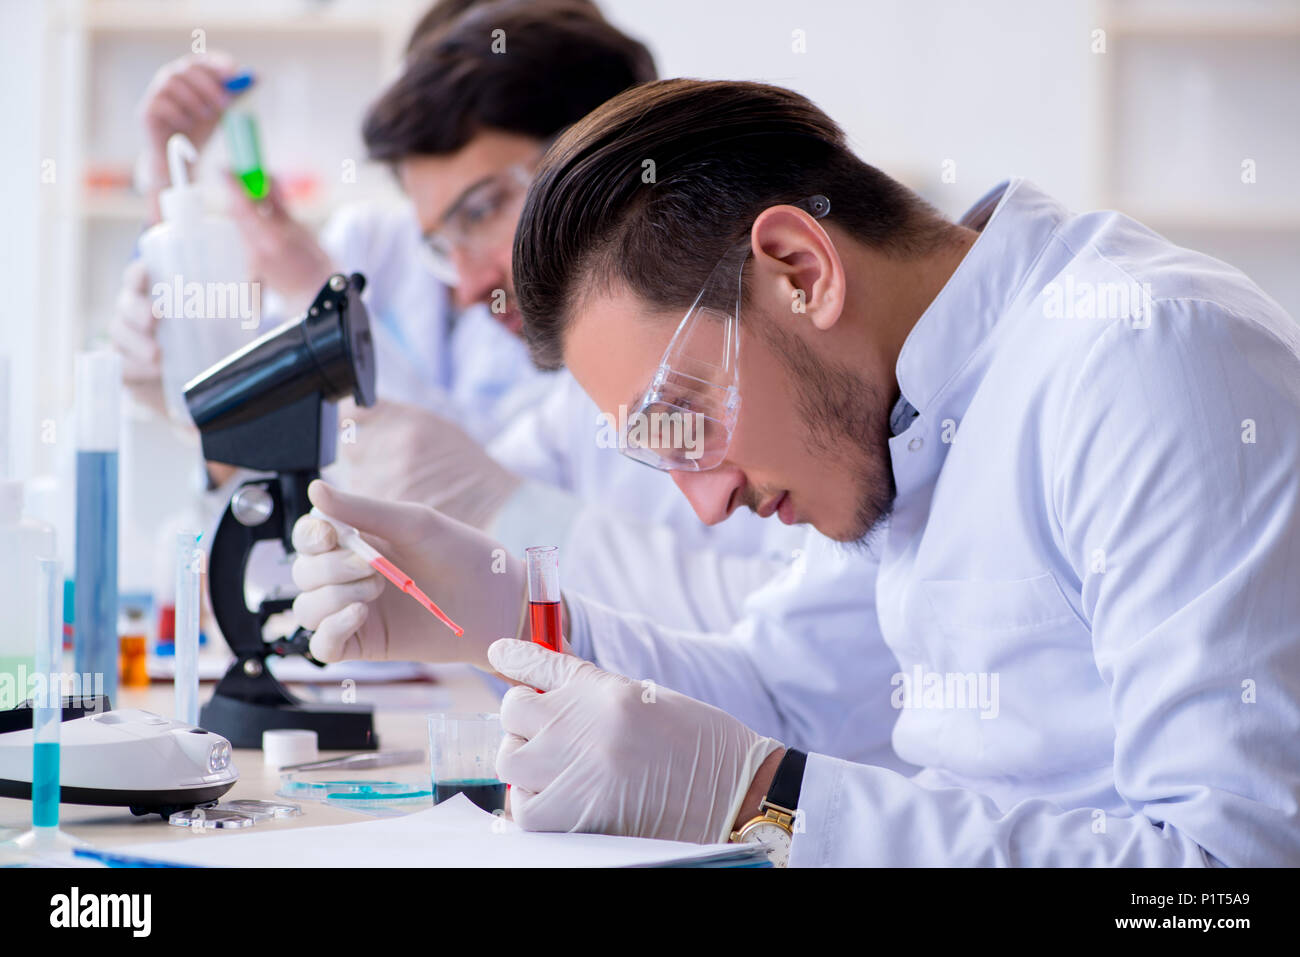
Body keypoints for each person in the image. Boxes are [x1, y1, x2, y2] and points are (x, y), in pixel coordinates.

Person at [291, 78, 1300, 867]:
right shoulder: (900, 400)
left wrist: (762, 802)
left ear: (799, 272)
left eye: (680, 422)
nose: (708, 500)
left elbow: (1225, 879)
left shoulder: (1146, 360)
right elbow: (784, 695)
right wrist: (503, 612)